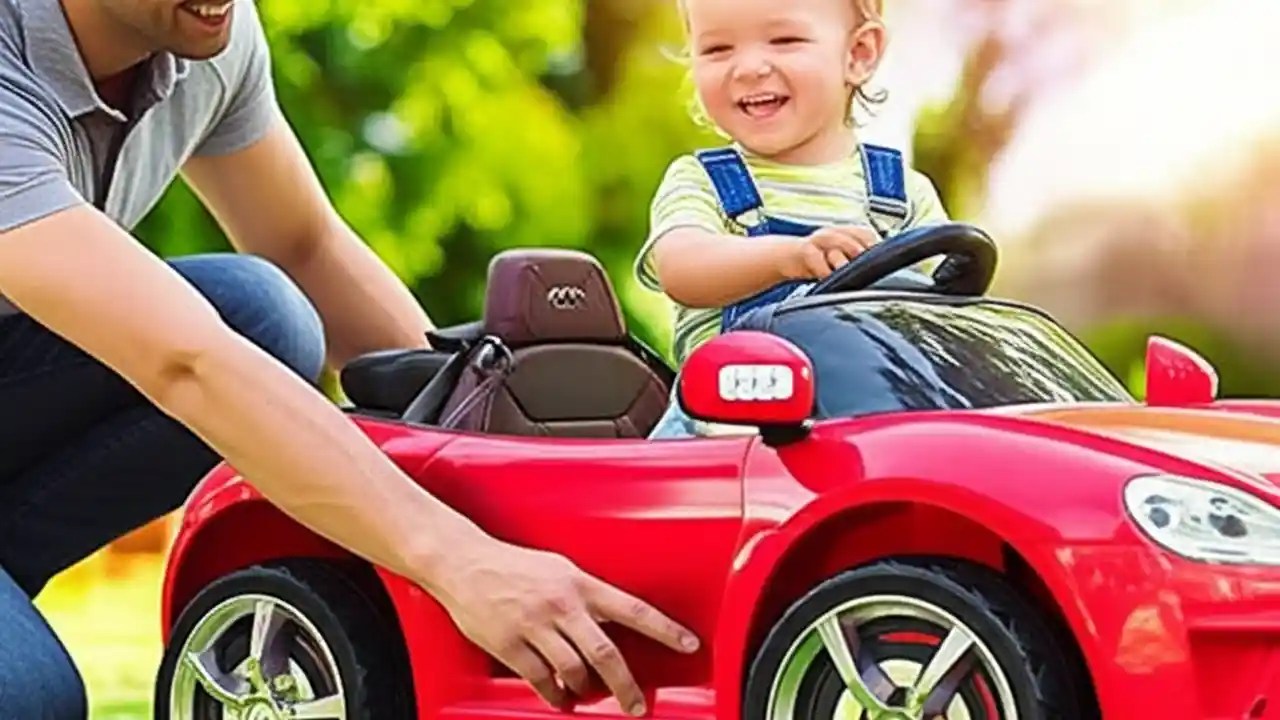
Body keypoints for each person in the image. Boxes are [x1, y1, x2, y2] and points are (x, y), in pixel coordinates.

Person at [0, 0, 698, 716]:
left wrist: (491, 469)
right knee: (32, 700)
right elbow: (182, 360)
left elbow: (305, 248)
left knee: (263, 311)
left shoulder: (201, 36)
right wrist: (454, 559)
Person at [634, 0, 952, 437]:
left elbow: (955, 314)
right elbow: (681, 266)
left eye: (784, 40)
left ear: (858, 54)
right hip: (726, 433)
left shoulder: (904, 195)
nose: (747, 68)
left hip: (876, 423)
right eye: (717, 49)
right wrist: (788, 259)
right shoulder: (703, 181)